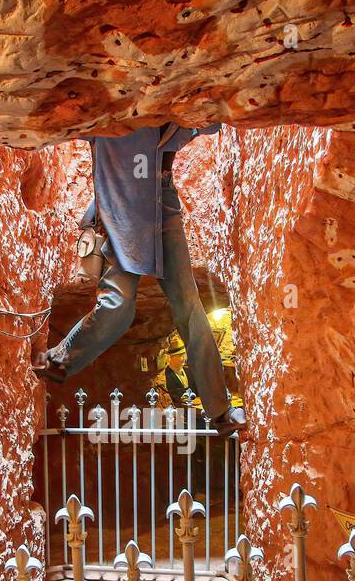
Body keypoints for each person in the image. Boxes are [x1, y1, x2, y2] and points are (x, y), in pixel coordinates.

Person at [33, 122, 246, 436]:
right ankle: (58, 360)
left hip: (163, 203)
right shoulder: (109, 111)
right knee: (118, 303)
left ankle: (220, 412)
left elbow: (211, 122)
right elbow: (61, 120)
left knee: (189, 308)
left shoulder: (169, 108)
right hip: (121, 203)